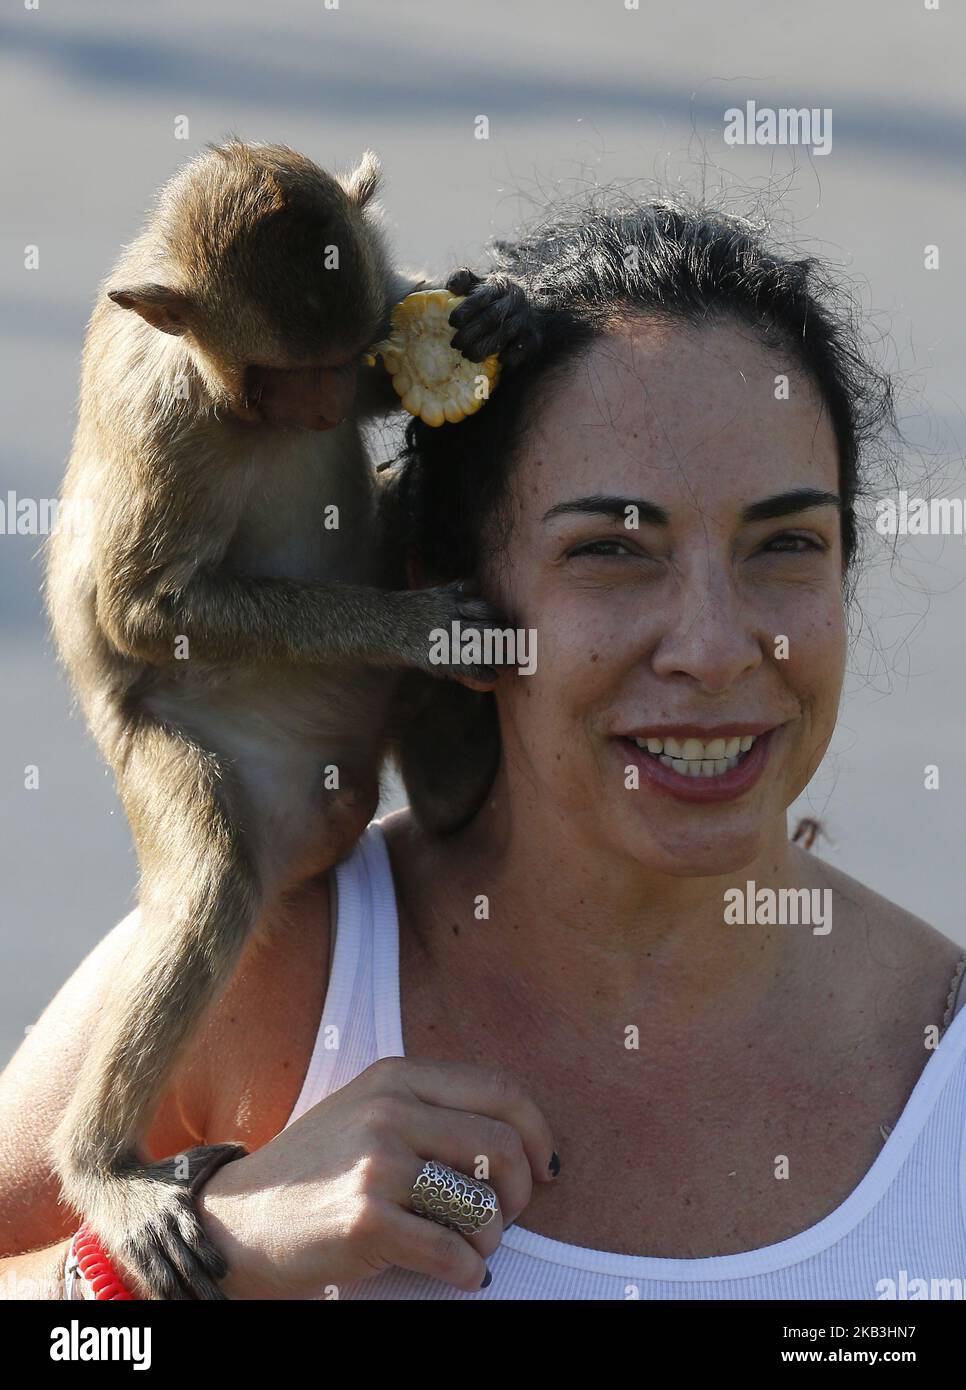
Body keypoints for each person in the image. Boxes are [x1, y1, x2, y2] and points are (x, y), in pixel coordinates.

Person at [2, 196, 965, 1301]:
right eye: (612, 549)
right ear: (441, 592)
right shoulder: (270, 975)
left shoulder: (948, 1076)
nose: (712, 648)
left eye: (788, 543)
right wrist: (210, 1257)